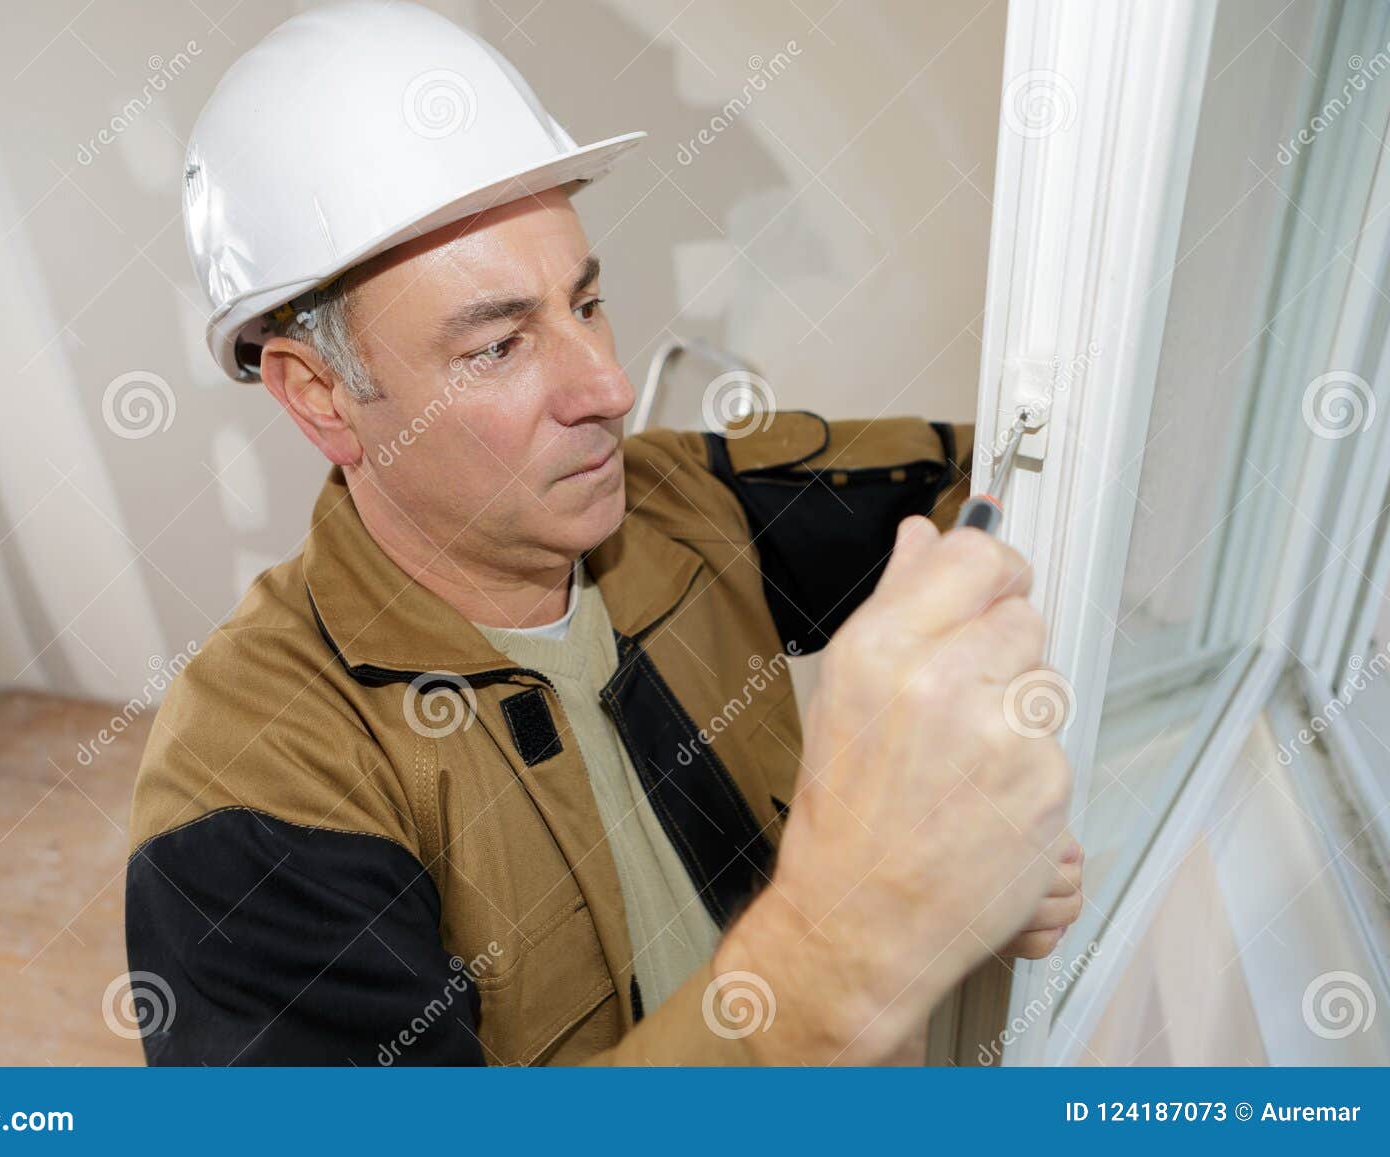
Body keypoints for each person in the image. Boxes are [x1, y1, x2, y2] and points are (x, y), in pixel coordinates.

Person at [125, 0, 1081, 1066]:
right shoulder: (256, 792)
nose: (610, 388)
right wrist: (842, 949)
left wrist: (970, 828)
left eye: (586, 303)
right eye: (498, 346)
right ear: (321, 398)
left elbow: (1004, 478)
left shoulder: (681, 505)